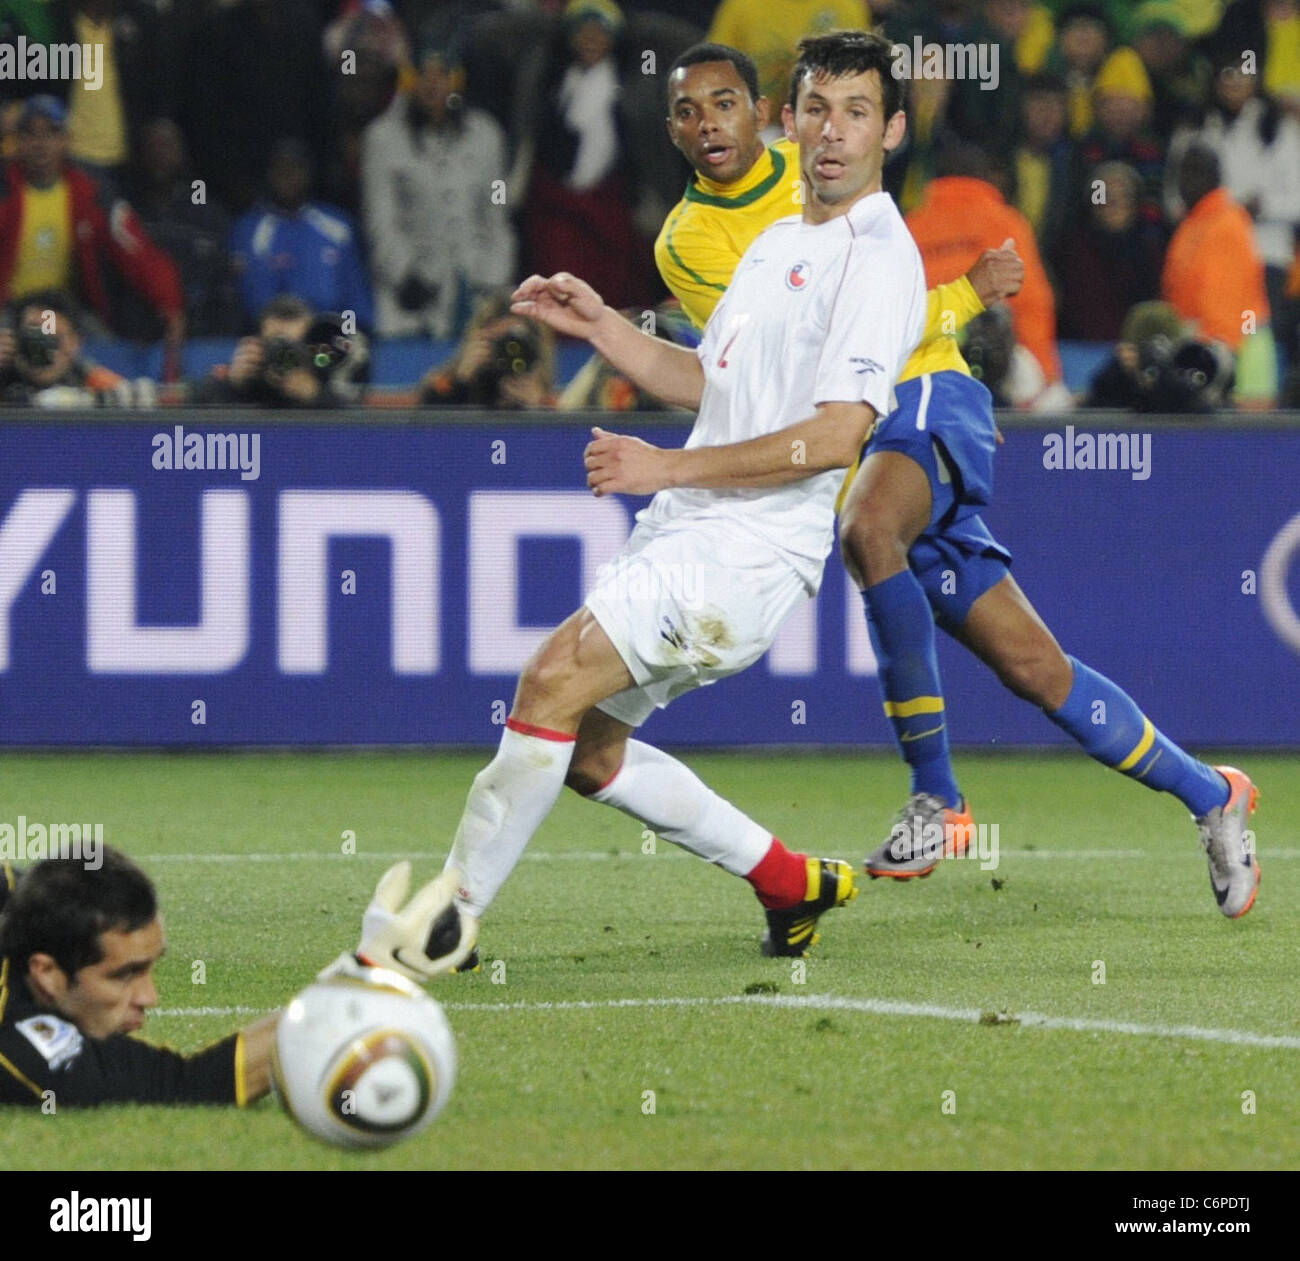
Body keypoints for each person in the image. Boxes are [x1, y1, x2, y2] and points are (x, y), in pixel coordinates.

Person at [653, 44, 1261, 919]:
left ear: (762, 115)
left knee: (866, 529)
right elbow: (783, 358)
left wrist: (961, 303)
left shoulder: (825, 166)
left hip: (927, 388)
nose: (708, 123)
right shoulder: (688, 242)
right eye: (686, 110)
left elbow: (878, 315)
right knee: (1035, 669)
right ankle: (1214, 794)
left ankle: (938, 799)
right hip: (861, 424)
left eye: (724, 103)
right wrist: (968, 292)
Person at [381, 29, 929, 981]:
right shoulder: (779, 241)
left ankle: (448, 920)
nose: (833, 132)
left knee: (549, 675)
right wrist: (601, 324)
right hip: (699, 526)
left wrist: (666, 471)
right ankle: (788, 879)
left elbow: (840, 436)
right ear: (788, 122)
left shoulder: (878, 259)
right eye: (819, 110)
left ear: (894, 130)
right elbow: (711, 385)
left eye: (857, 113)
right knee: (590, 749)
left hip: (751, 549)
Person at [362, 36, 515, 340]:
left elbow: (497, 206)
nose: (432, 86)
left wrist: (496, 274)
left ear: (456, 81)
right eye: (423, 76)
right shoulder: (382, 138)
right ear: (409, 81)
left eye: (442, 75)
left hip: (477, 285)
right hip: (411, 292)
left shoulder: (487, 135)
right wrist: (404, 274)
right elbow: (380, 219)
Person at [0, 96, 184, 348]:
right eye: (31, 134)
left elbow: (136, 249)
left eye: (51, 133)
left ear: (66, 140)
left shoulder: (91, 193)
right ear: (18, 142)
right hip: (10, 312)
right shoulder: (3, 191)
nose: (40, 144)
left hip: (67, 310)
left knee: (107, 352)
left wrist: (170, 304)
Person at [1162, 143, 1278, 409]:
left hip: (1240, 357)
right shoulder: (1192, 223)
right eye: (1183, 172)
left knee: (1248, 447)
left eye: (1197, 172)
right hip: (1208, 351)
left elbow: (1224, 306)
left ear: (1216, 177)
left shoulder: (1226, 224)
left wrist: (1211, 364)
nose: (1187, 181)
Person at [229, 139, 374, 333]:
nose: (287, 175)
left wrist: (352, 334)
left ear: (308, 172)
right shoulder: (250, 229)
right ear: (269, 174)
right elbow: (254, 300)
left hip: (330, 338)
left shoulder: (337, 225)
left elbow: (356, 297)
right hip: (275, 340)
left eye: (295, 167)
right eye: (280, 168)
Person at [187, 296, 353, 409]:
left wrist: (315, 396)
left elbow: (355, 429)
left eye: (294, 344)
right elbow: (190, 418)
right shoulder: (244, 377)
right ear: (259, 340)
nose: (285, 355)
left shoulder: (320, 381)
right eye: (276, 342)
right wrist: (232, 385)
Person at [0, 290, 133, 407]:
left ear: (75, 343)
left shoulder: (95, 383)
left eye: (53, 339)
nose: (43, 348)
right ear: (15, 337)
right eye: (34, 336)